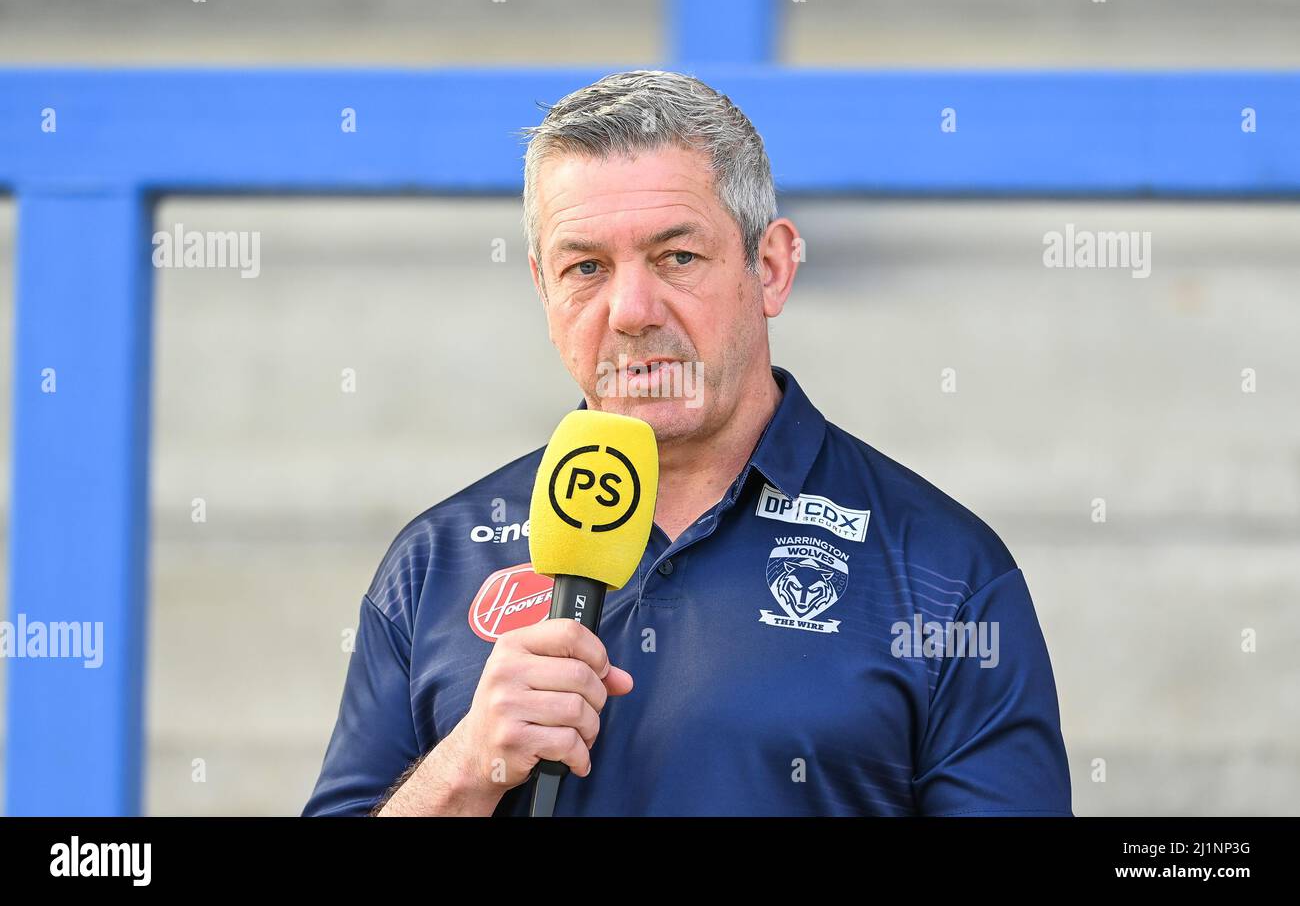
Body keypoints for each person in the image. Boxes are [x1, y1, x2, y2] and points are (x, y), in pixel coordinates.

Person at [302, 70, 1072, 816]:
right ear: (543, 287)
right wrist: (465, 771)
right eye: (587, 267)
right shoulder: (436, 561)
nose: (632, 309)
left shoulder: (943, 571)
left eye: (677, 257)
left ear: (769, 268)